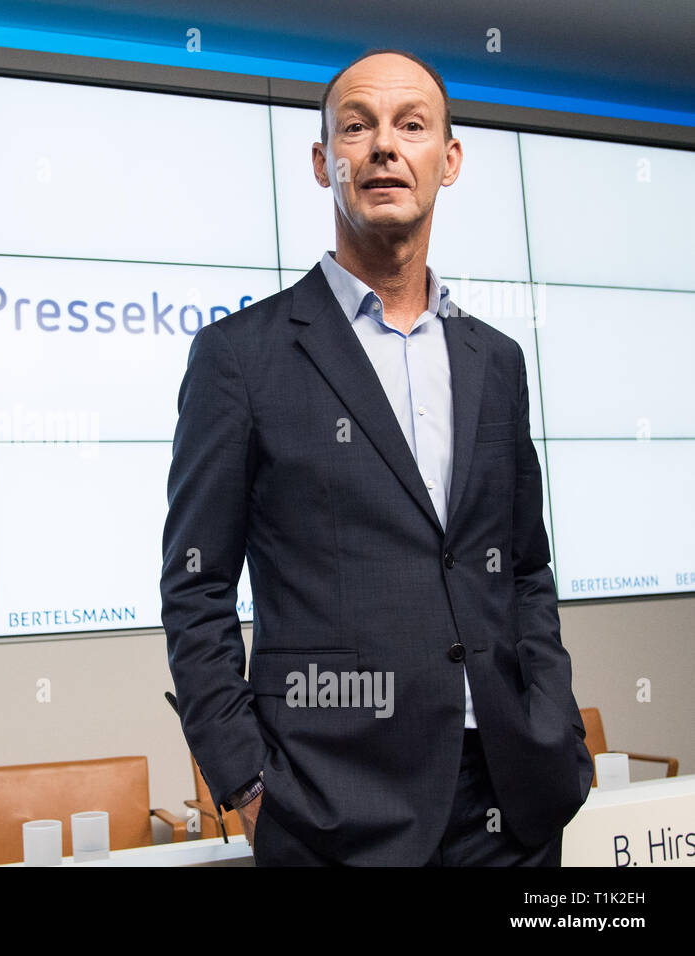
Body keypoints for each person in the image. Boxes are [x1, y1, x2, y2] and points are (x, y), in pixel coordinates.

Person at [161, 49, 592, 867]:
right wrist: (251, 788)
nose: (384, 146)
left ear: (448, 160)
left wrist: (553, 719)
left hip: (515, 801)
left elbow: (525, 568)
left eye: (412, 126)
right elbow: (196, 585)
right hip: (335, 816)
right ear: (326, 163)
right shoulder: (239, 357)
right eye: (356, 127)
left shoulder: (495, 360)